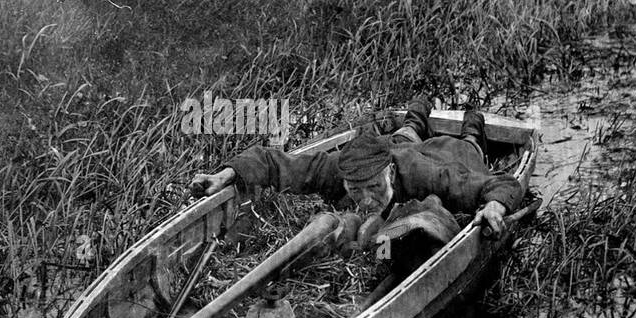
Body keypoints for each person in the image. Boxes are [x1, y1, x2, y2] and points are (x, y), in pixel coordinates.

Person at [190, 97, 523, 244]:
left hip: (445, 153)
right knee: (407, 130)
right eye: (355, 190)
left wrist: (494, 205)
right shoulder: (340, 168)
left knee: (470, 143)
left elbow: (501, 183)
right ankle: (420, 105)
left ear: (390, 175)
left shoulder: (430, 175)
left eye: (374, 189)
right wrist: (226, 175)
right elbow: (274, 162)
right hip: (392, 143)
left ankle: (473, 117)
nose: (364, 201)